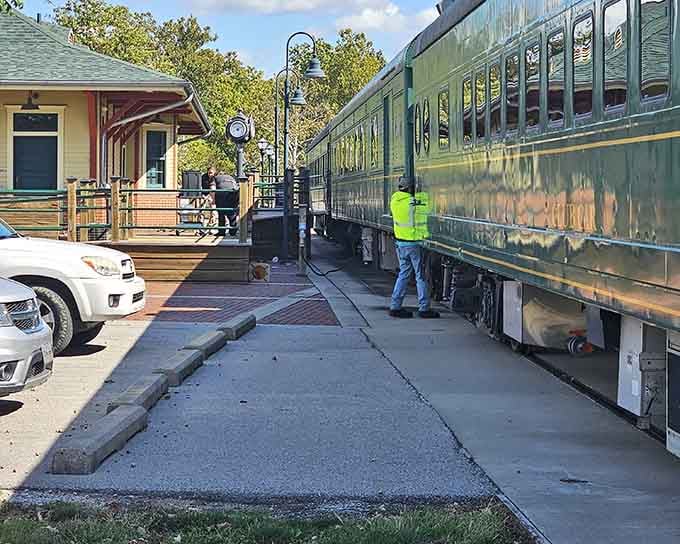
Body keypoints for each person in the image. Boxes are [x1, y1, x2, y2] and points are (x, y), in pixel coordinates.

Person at [389, 177, 440, 319]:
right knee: (420, 275)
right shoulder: (413, 203)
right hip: (413, 243)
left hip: (400, 243)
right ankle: (424, 308)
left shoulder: (394, 201)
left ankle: (395, 306)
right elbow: (428, 207)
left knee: (403, 274)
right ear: (411, 188)